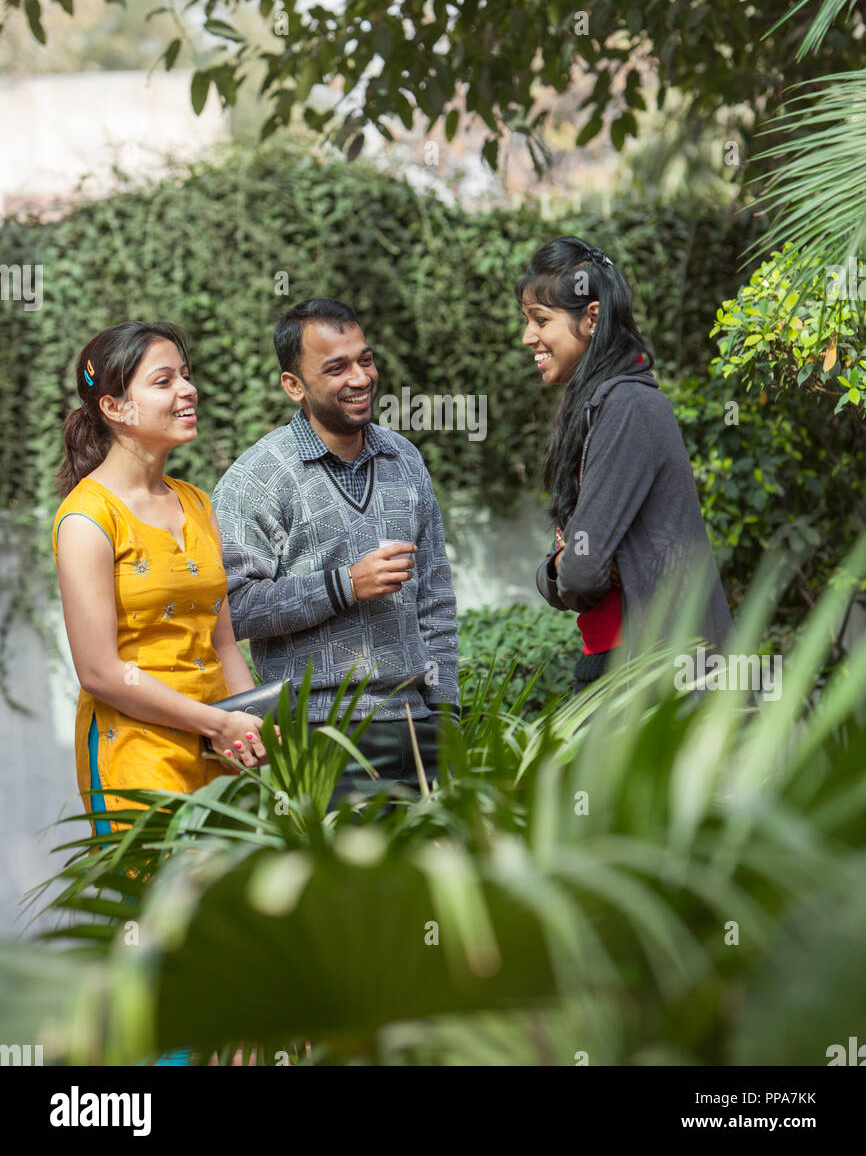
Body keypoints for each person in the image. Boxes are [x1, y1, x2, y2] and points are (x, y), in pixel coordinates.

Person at [212, 298, 459, 806]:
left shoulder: (404, 460)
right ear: (293, 386)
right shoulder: (258, 478)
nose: (360, 377)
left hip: (416, 726)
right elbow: (232, 609)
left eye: (364, 359)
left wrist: (446, 714)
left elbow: (434, 597)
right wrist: (342, 585)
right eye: (336, 367)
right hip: (318, 733)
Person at [52, 321, 272, 840]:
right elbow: (100, 672)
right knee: (159, 913)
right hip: (139, 755)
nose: (188, 390)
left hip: (225, 745)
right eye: (164, 380)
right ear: (114, 407)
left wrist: (253, 726)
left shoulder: (196, 502)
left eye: (187, 376)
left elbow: (224, 643)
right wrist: (217, 724)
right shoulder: (86, 519)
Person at [517, 237, 733, 696]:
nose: (527, 337)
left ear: (591, 317)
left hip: (648, 675)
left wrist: (562, 565)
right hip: (623, 666)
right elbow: (574, 567)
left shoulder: (628, 406)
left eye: (540, 320)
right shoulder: (599, 406)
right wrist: (561, 565)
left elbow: (580, 571)